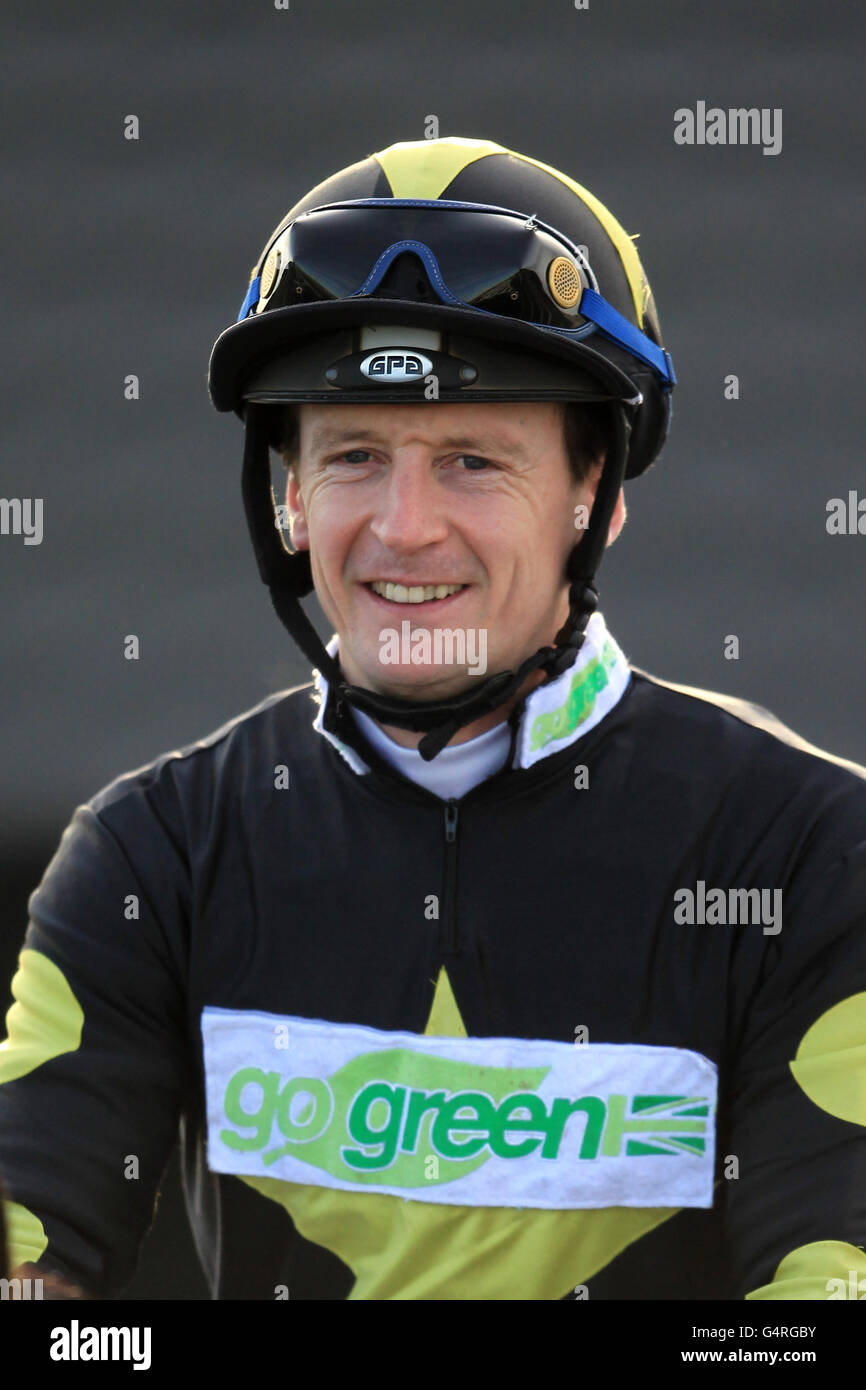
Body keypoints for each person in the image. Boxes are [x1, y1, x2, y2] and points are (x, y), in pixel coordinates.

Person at [1, 135, 864, 1302]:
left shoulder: (813, 852)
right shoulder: (147, 852)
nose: (404, 528)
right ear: (289, 498)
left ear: (591, 498)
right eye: (354, 454)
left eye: (469, 459)